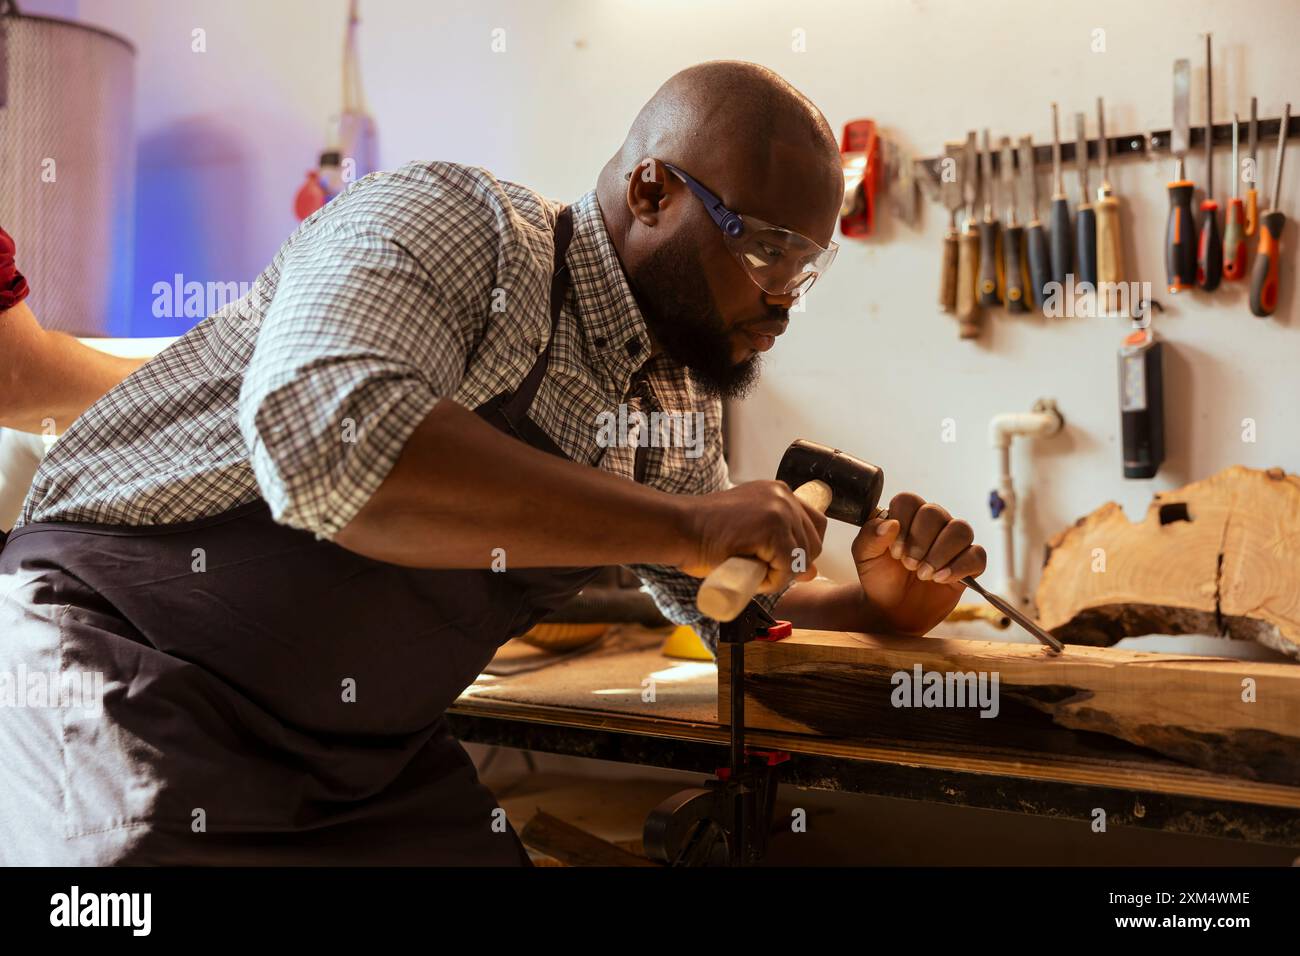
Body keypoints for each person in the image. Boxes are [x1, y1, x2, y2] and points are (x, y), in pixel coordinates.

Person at [0, 61, 985, 865]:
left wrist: (874, 604)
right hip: (124, 665)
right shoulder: (456, 227)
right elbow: (334, 443)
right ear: (651, 189)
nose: (782, 301)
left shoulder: (667, 393)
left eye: (805, 270)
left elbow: (709, 595)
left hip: (356, 757)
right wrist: (686, 523)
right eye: (767, 252)